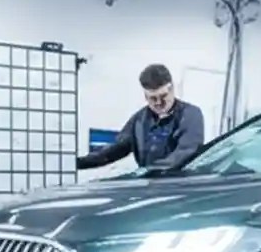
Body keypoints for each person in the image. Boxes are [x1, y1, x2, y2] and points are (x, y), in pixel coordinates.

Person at [76, 64, 205, 173]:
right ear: (145, 95)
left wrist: (148, 172)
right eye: (152, 98)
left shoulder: (190, 115)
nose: (159, 103)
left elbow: (186, 152)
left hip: (179, 188)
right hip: (148, 186)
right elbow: (112, 151)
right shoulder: (138, 121)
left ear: (172, 89)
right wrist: (75, 163)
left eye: (163, 96)